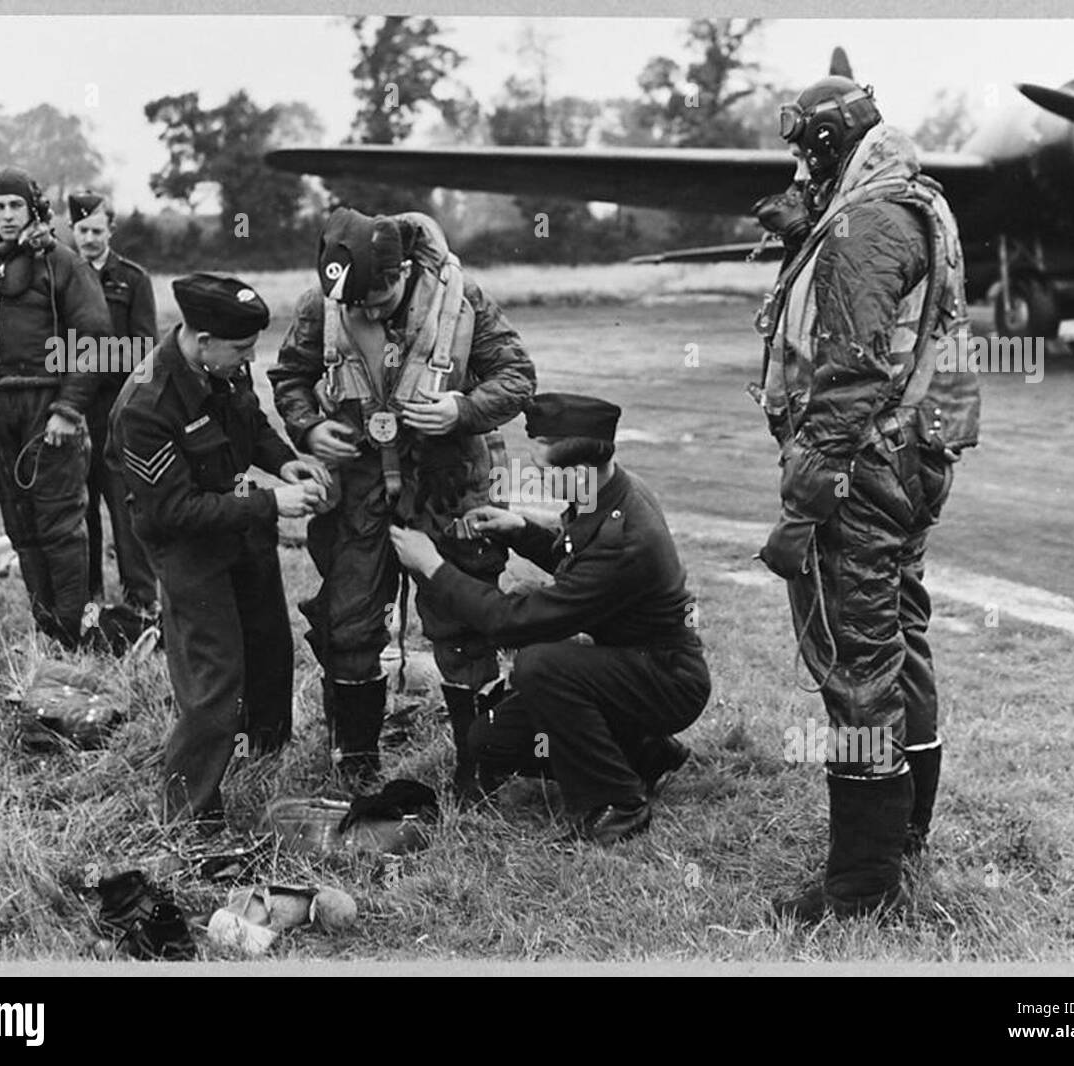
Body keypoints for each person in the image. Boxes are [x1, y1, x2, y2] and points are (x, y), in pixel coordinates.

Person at [752, 77, 980, 921]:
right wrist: (805, 230)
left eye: (804, 152)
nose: (799, 167)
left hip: (864, 468)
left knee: (857, 658)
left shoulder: (864, 223)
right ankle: (904, 834)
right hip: (914, 458)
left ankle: (861, 883)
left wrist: (801, 505)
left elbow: (850, 375)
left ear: (823, 147)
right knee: (899, 632)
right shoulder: (910, 196)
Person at [270, 207, 536, 794]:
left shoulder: (460, 299)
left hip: (447, 485)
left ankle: (479, 769)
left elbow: (517, 376)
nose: (364, 311)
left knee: (463, 623)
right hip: (358, 488)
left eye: (377, 298)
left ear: (403, 272)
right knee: (349, 622)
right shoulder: (324, 305)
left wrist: (460, 410)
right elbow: (289, 375)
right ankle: (356, 764)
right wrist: (309, 427)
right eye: (354, 303)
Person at [390, 392, 712, 846]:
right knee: (492, 741)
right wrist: (520, 530)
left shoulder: (626, 536)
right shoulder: (610, 488)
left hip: (666, 679)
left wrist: (432, 567)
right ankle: (644, 754)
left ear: (580, 471)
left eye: (545, 472)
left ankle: (618, 803)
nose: (538, 480)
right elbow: (576, 557)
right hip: (623, 663)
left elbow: (512, 621)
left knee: (540, 665)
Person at [106, 273, 329, 825]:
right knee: (214, 680)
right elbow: (173, 513)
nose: (250, 357)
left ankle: (263, 761)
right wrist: (274, 503)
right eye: (242, 349)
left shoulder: (221, 365)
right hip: (187, 549)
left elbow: (248, 423)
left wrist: (283, 461)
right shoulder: (146, 404)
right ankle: (188, 814)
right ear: (201, 339)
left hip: (242, 526)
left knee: (270, 650)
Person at [0, 167, 112, 648]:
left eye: (15, 206)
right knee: (20, 523)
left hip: (47, 405)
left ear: (33, 209)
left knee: (59, 523)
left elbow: (93, 339)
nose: (6, 215)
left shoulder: (63, 265)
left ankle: (74, 634)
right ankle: (47, 627)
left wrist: (68, 409)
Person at [67, 190, 159, 614]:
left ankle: (141, 600)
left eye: (97, 230)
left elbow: (142, 351)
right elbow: (51, 349)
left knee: (125, 508)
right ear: (72, 230)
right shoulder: (60, 276)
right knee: (79, 507)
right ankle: (88, 598)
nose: (89, 239)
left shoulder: (134, 279)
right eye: (82, 230)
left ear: (111, 231)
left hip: (119, 412)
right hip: (71, 413)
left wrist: (81, 359)